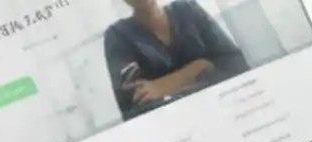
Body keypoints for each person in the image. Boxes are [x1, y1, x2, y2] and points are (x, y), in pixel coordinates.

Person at [103, 0, 250, 120]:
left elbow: (237, 67)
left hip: (228, 113)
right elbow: (136, 108)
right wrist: (203, 67)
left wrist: (165, 86)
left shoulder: (188, 10)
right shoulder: (118, 37)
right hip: (175, 135)